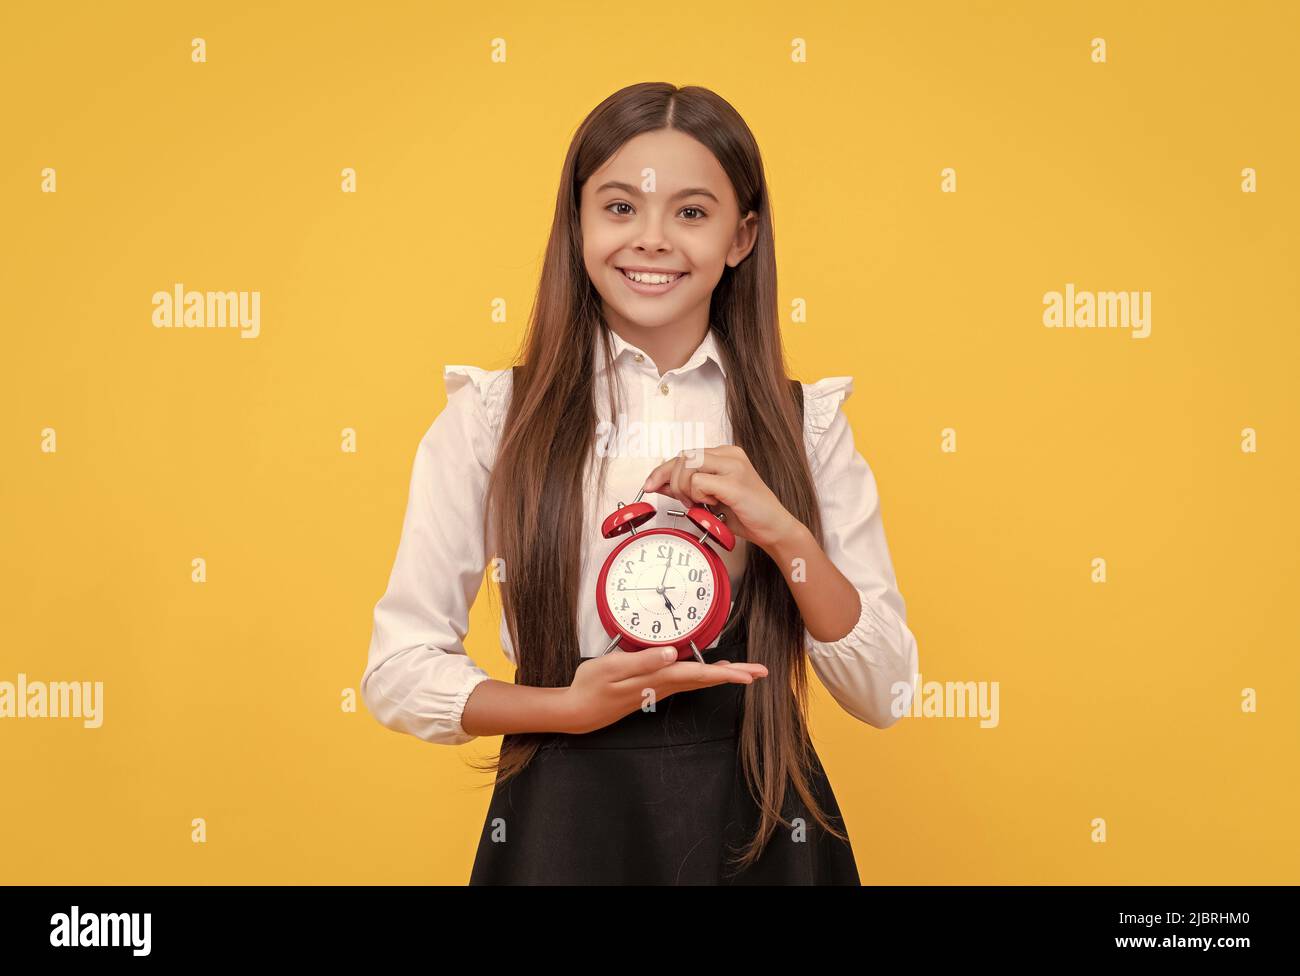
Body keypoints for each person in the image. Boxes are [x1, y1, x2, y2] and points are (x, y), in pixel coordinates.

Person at [361, 82, 920, 884]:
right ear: (578, 223)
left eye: (691, 213)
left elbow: (885, 690)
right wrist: (568, 708)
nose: (652, 240)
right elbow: (399, 670)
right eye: (620, 208)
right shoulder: (493, 419)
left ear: (742, 236)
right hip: (566, 824)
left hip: (761, 824)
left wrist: (784, 531)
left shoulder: (807, 427)